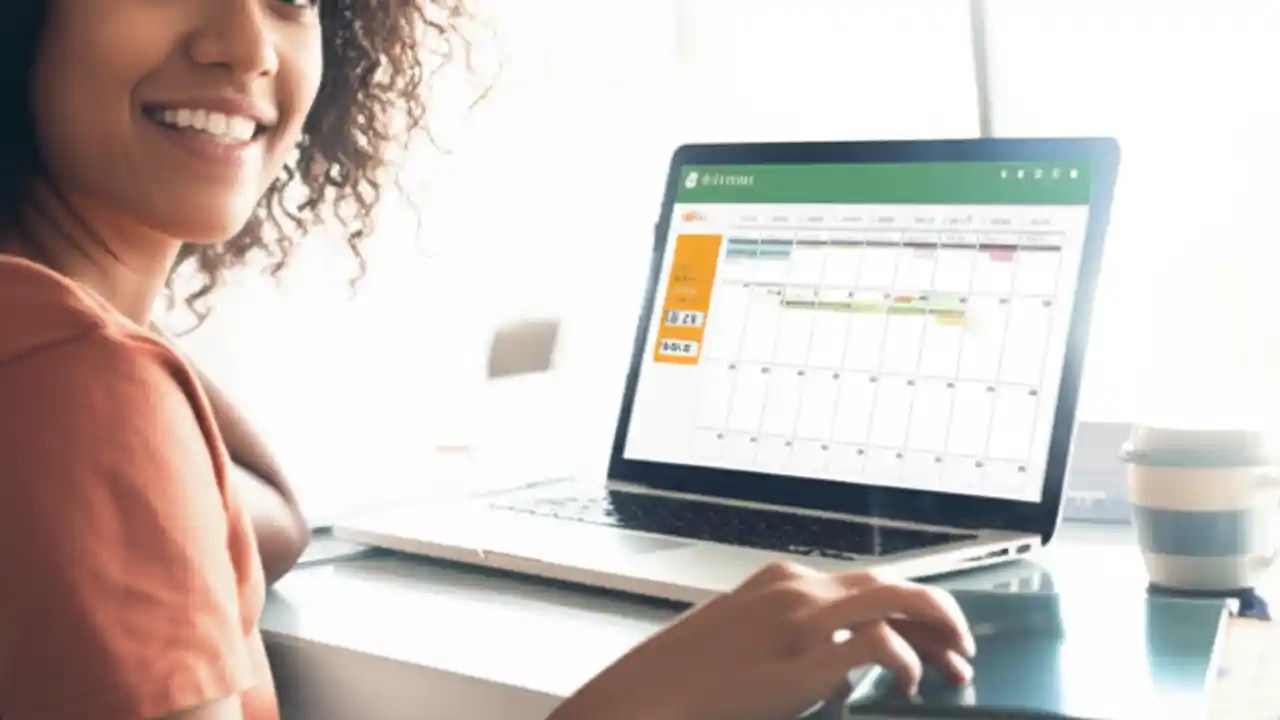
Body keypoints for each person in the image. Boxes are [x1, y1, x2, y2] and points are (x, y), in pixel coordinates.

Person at [0, 2, 976, 719]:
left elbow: (266, 519)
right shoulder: (77, 381)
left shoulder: (57, 340)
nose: (247, 44)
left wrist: (120, 321)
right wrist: (652, 699)